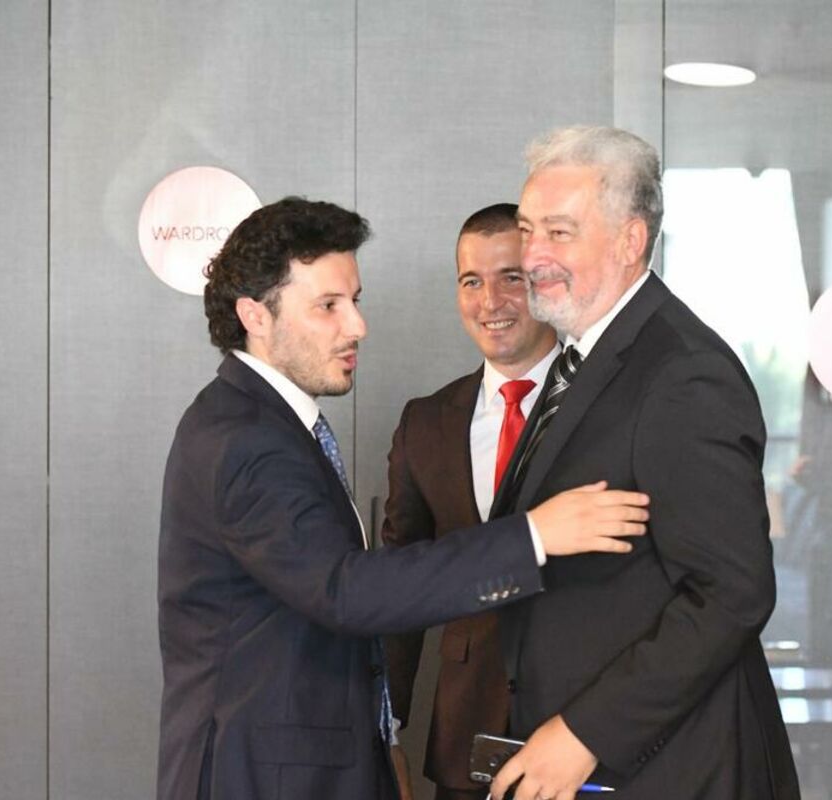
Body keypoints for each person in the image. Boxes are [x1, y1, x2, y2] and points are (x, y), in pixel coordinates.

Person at [156, 197, 649, 800]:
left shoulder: (265, 424)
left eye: (354, 300)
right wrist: (533, 536)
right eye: (329, 306)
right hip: (262, 775)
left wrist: (382, 733)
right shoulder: (245, 439)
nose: (357, 326)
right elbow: (348, 590)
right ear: (255, 316)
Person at [487, 127, 800, 800]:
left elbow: (732, 594)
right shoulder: (585, 355)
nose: (532, 255)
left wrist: (584, 735)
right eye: (528, 230)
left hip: (674, 769)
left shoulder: (682, 373)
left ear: (631, 241)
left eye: (560, 233)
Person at [382, 203, 559, 800]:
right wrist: (387, 728)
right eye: (471, 281)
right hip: (466, 737)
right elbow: (399, 585)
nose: (491, 302)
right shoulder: (426, 423)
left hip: (580, 733)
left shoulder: (602, 405)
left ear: (543, 280)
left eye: (511, 277)